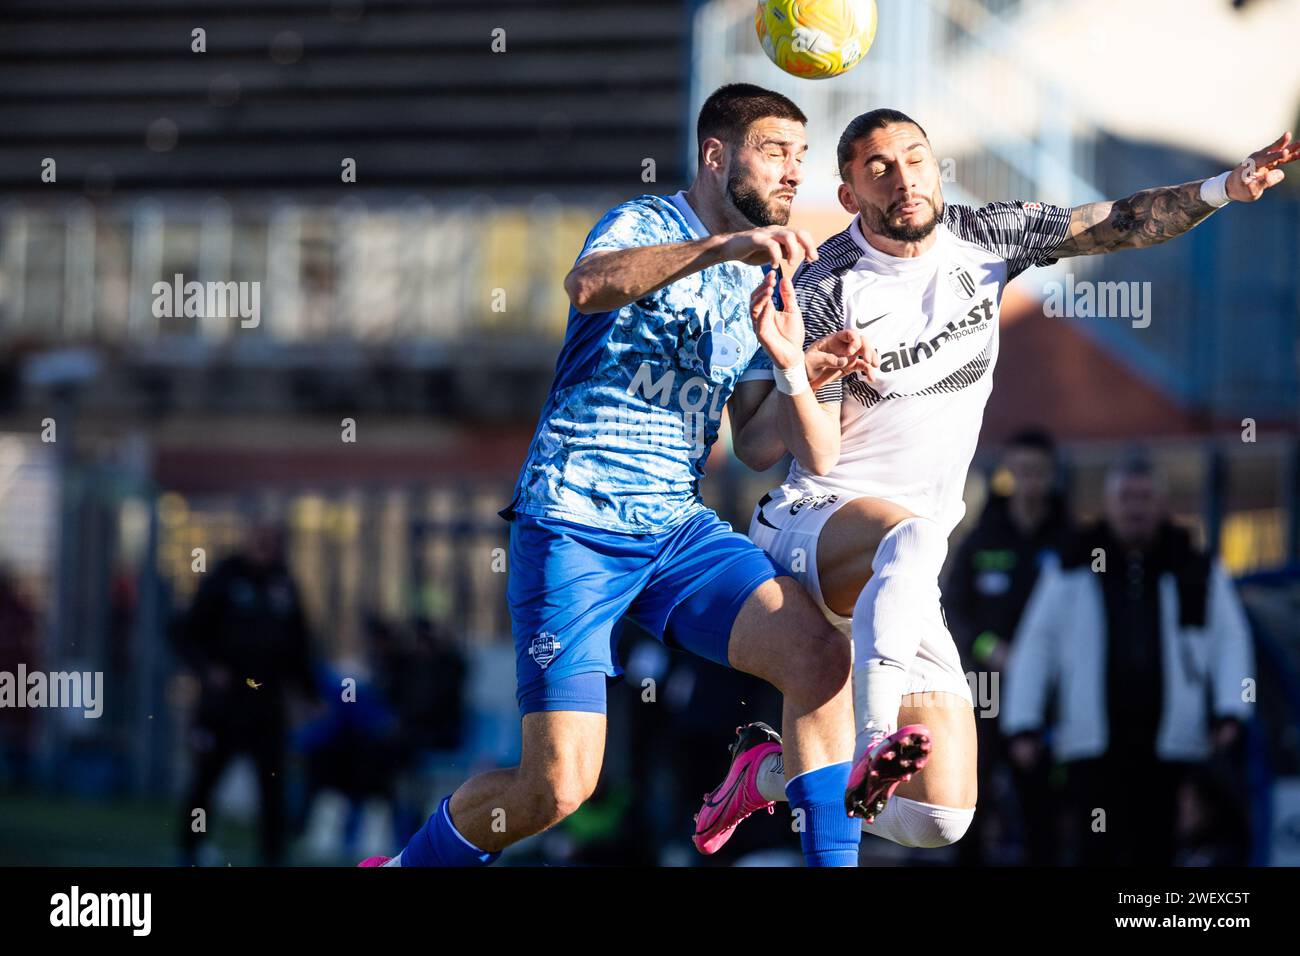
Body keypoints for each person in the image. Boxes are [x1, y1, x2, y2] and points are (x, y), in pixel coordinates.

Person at [692, 110, 1297, 857]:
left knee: (942, 817)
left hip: (904, 572)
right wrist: (794, 367)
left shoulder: (987, 238)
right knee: (911, 539)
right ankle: (872, 743)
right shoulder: (821, 288)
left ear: (938, 166)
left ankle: (776, 775)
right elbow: (798, 456)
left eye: (915, 158)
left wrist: (1224, 188)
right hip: (816, 528)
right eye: (878, 167)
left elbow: (1115, 221)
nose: (903, 177)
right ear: (848, 195)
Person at [362, 84, 873, 868]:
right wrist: (717, 250)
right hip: (574, 523)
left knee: (818, 656)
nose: (791, 173)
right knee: (557, 787)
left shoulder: (758, 280)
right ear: (716, 155)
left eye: (800, 158)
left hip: (674, 530)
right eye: (774, 152)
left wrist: (797, 369)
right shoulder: (648, 223)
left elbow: (758, 446)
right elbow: (590, 286)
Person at [1002, 454, 1255, 865]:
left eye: (1144, 497)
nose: (1135, 507)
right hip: (1093, 743)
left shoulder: (1195, 567)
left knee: (1157, 848)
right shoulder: (1073, 565)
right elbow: (1037, 646)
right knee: (1095, 847)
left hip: (1171, 742)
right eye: (1126, 497)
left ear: (1161, 504)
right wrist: (1023, 723)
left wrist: (1231, 711)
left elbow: (1230, 640)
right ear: (1109, 504)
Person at [945, 428, 1073, 864]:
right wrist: (988, 648)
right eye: (1021, 471)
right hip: (986, 685)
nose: (1029, 481)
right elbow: (951, 609)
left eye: (1038, 472)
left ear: (1052, 476)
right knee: (971, 794)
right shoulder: (981, 540)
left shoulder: (1071, 544)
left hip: (1051, 696)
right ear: (1008, 474)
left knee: (1043, 804)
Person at [175, 520, 319, 866]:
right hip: (223, 705)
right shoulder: (225, 579)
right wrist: (207, 669)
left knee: (272, 784)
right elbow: (185, 633)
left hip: (266, 705)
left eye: (273, 541)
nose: (266, 548)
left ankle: (272, 855)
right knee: (206, 779)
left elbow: (298, 646)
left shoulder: (284, 585)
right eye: (260, 539)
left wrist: (309, 693)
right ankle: (191, 848)